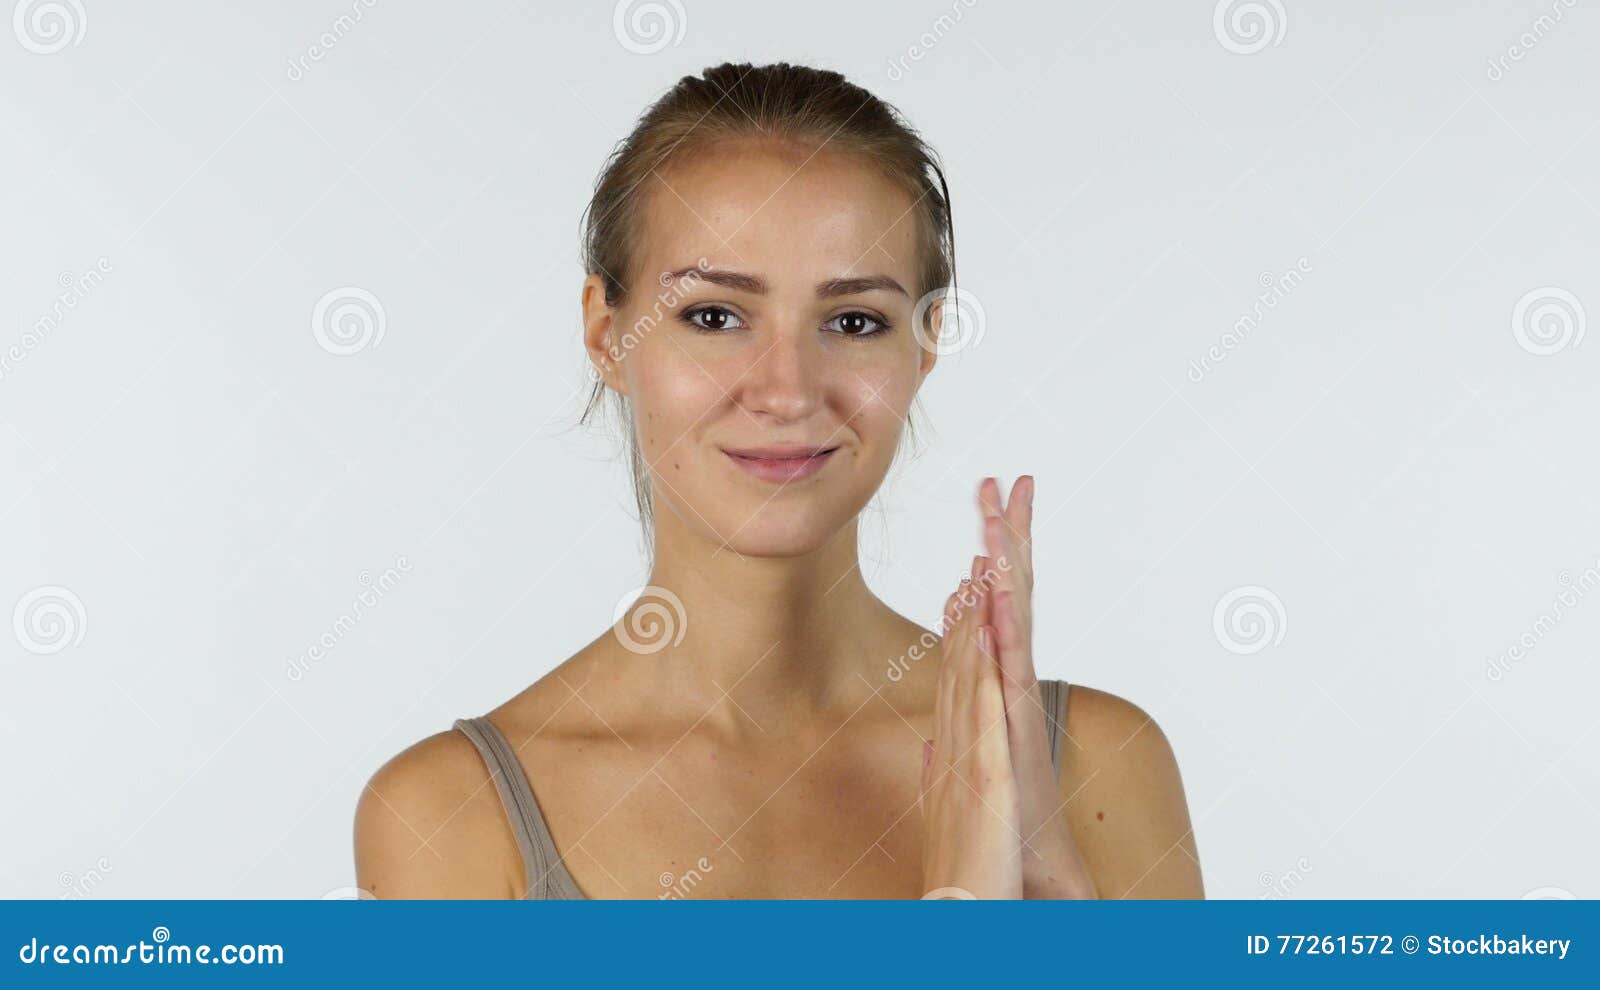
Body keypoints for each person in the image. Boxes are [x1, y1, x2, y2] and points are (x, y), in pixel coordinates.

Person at [354, 61, 1202, 899]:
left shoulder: (1092, 763)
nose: (788, 390)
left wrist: (1052, 877)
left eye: (854, 320)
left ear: (926, 342)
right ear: (608, 333)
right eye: (715, 316)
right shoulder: (447, 811)